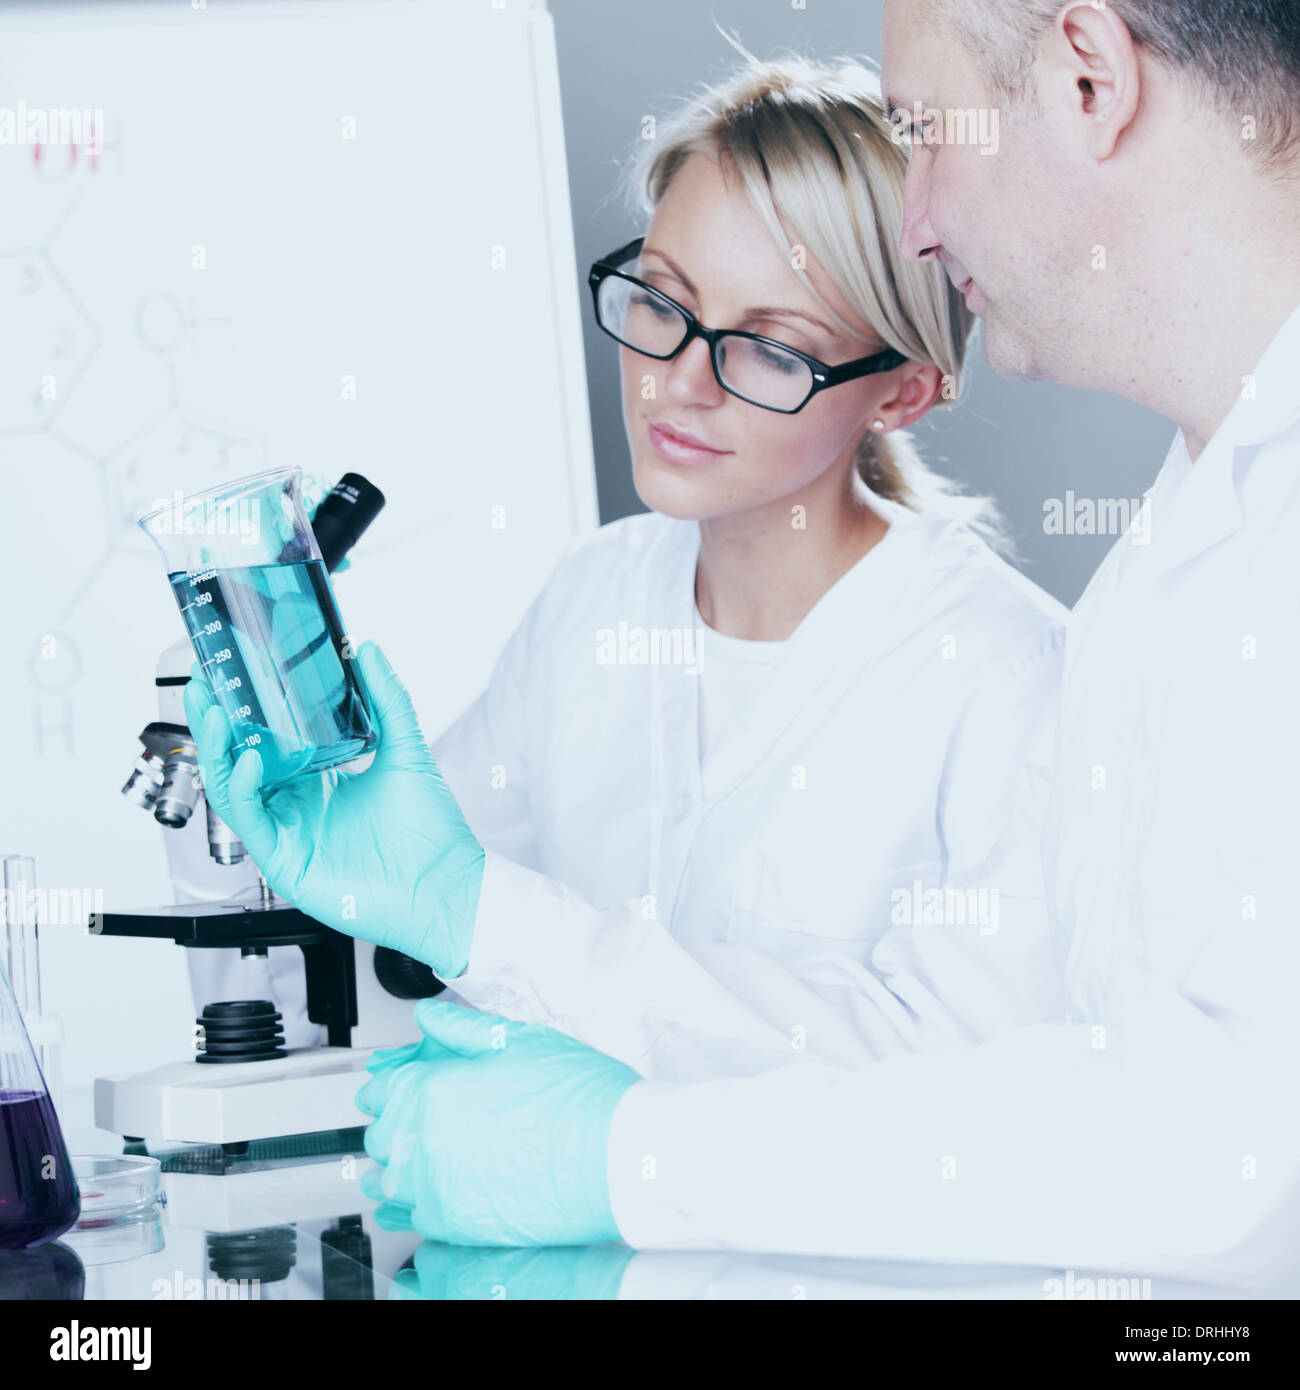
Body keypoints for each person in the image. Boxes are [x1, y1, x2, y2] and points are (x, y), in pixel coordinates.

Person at [200, 0, 1300, 1279]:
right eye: (661, 305)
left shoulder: (1027, 651)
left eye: (923, 135)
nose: (923, 218)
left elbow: (1182, 1142)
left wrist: (616, 1149)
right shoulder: (1178, 552)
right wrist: (418, 896)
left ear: (1090, 79)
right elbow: (1095, 1108)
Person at [190, 56, 1068, 1091]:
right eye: (661, 299)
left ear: (902, 393)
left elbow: (969, 1077)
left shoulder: (1004, 670)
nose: (678, 382)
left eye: (771, 350)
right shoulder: (593, 598)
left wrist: (488, 924)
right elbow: (432, 908)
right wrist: (322, 795)